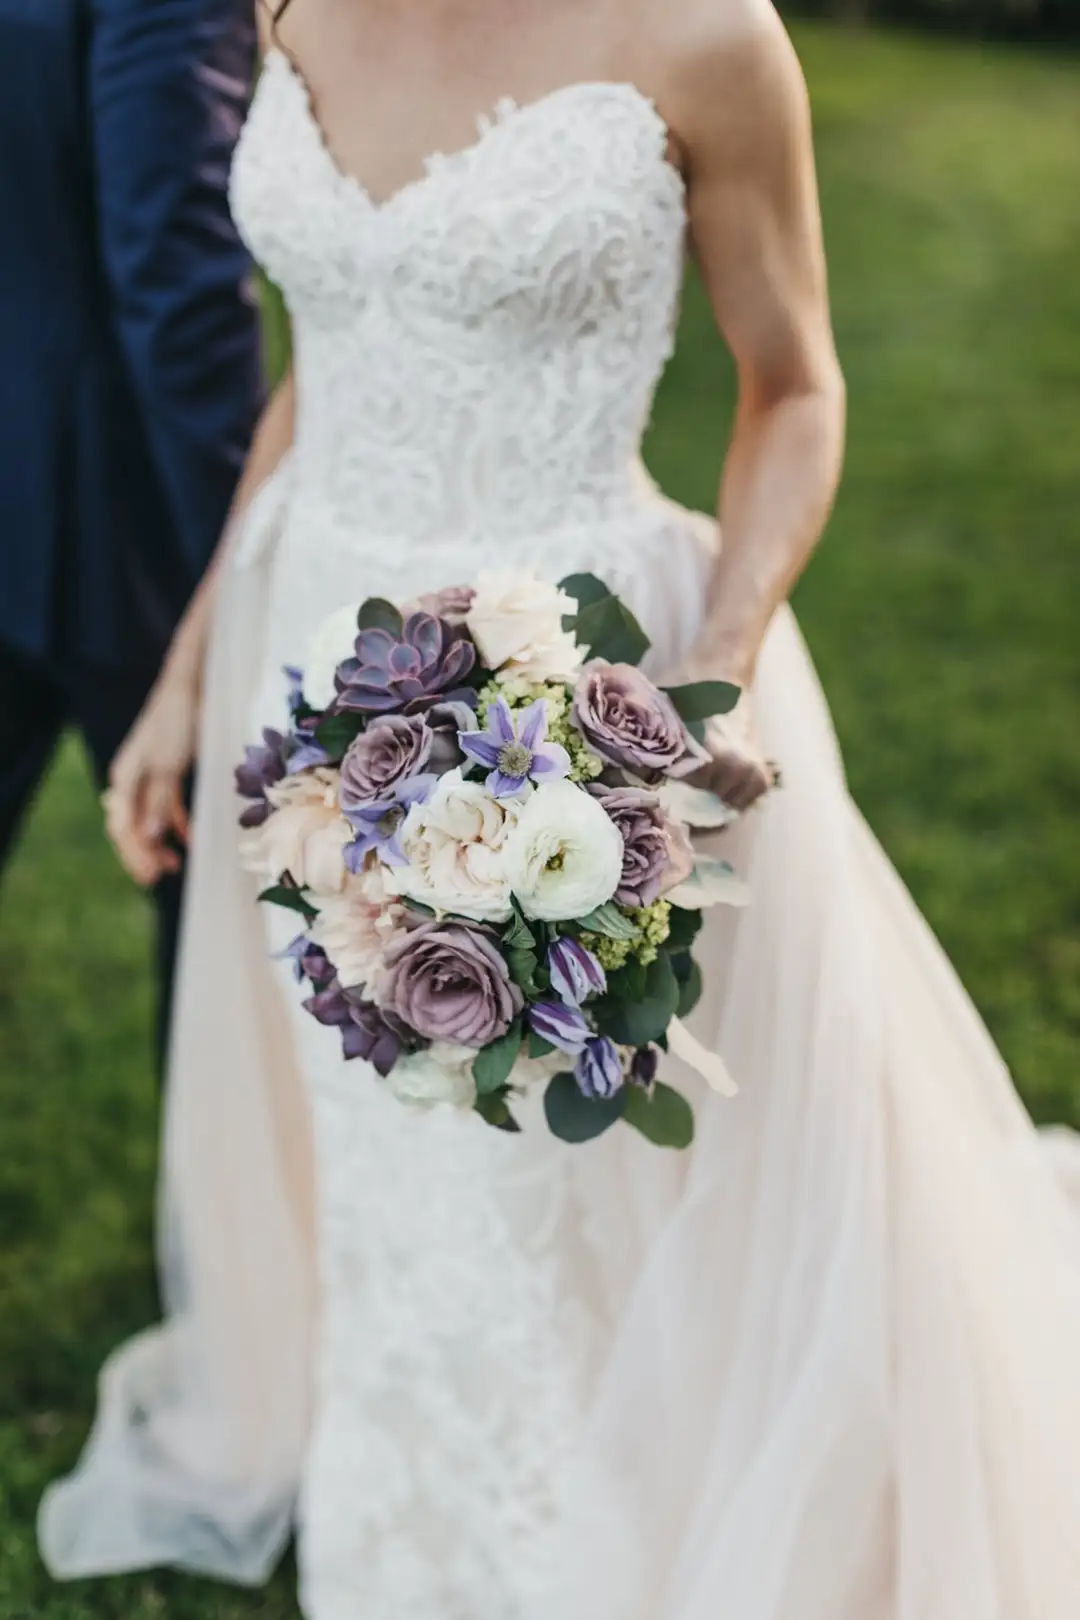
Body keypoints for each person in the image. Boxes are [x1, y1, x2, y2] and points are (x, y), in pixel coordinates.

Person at [40, 0, 1080, 1613]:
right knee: (386, 1133)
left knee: (577, 1166)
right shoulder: (292, 2)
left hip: (578, 710)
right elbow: (327, 366)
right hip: (315, 682)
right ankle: (414, 1508)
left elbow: (795, 386)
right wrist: (190, 671)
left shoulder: (707, 38)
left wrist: (712, 671)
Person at [0, 0, 262, 1053]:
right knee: (216, 897)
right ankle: (217, 1207)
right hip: (119, 517)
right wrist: (246, 556)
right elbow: (177, 273)